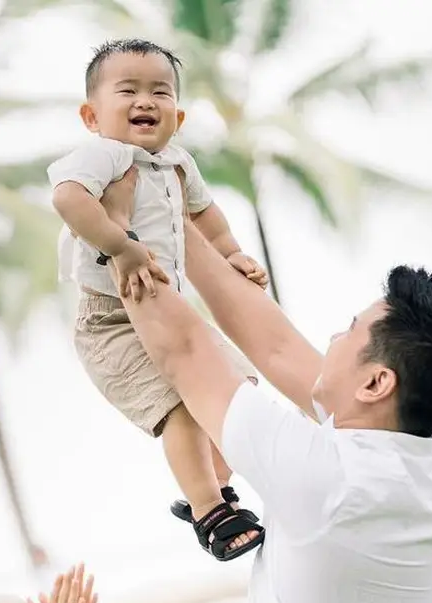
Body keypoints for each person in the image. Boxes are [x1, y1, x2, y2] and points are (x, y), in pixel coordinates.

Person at [99, 169, 432, 603]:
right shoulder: (429, 465)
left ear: (376, 383)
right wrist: (165, 199)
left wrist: (117, 239)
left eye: (348, 331)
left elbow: (185, 351)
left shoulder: (330, 481)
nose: (331, 339)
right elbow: (277, 346)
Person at [46, 38, 268, 562]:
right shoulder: (104, 154)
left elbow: (206, 214)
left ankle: (207, 489)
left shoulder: (176, 163)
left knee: (238, 389)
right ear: (91, 115)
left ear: (179, 115)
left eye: (160, 92)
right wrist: (119, 247)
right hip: (112, 320)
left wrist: (232, 252)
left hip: (169, 311)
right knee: (179, 409)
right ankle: (211, 511)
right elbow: (67, 197)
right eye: (128, 90)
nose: (146, 101)